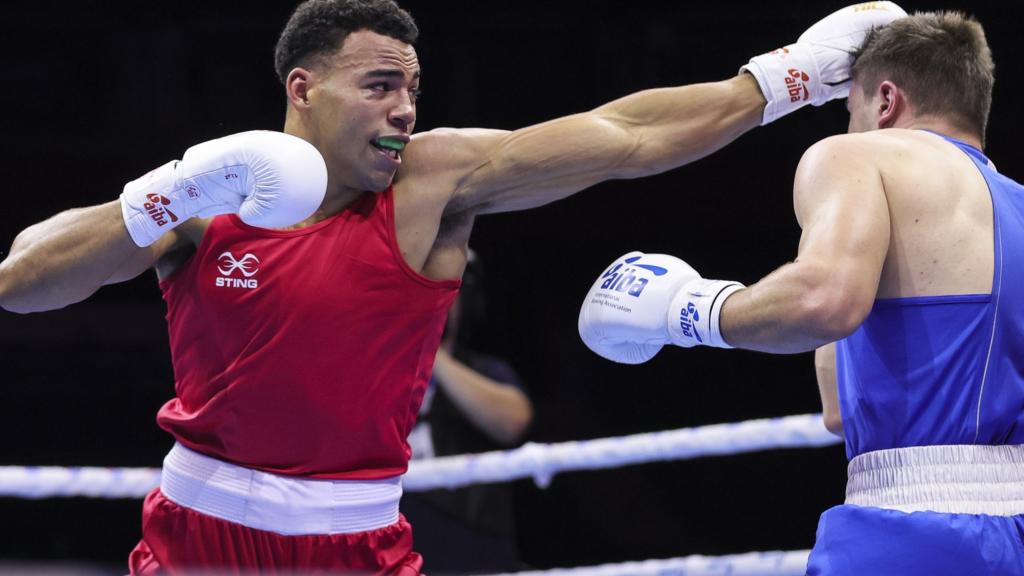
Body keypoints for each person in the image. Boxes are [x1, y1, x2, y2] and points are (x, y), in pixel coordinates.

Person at [0, 0, 904, 573]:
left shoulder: (429, 184)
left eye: (412, 88)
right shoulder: (210, 200)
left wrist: (783, 80)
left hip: (357, 541)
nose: (403, 108)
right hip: (196, 536)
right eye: (379, 85)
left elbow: (622, 136)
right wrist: (166, 194)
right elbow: (23, 283)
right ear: (303, 88)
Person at [578, 11, 1024, 574]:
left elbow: (823, 301)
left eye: (850, 108)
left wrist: (688, 310)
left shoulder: (858, 156)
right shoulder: (1016, 203)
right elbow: (839, 411)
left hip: (912, 530)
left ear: (886, 101)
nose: (849, 127)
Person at [403, 250, 533, 573]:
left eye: (443, 286)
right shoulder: (376, 371)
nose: (428, 297)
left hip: (472, 551)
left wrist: (430, 353)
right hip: (390, 546)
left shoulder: (484, 370)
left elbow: (514, 422)